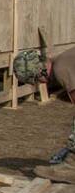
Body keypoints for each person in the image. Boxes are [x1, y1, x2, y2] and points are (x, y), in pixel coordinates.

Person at [14, 42, 75, 182]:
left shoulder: (62, 69)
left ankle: (72, 168)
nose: (41, 83)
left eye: (36, 80)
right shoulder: (65, 59)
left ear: (38, 71)